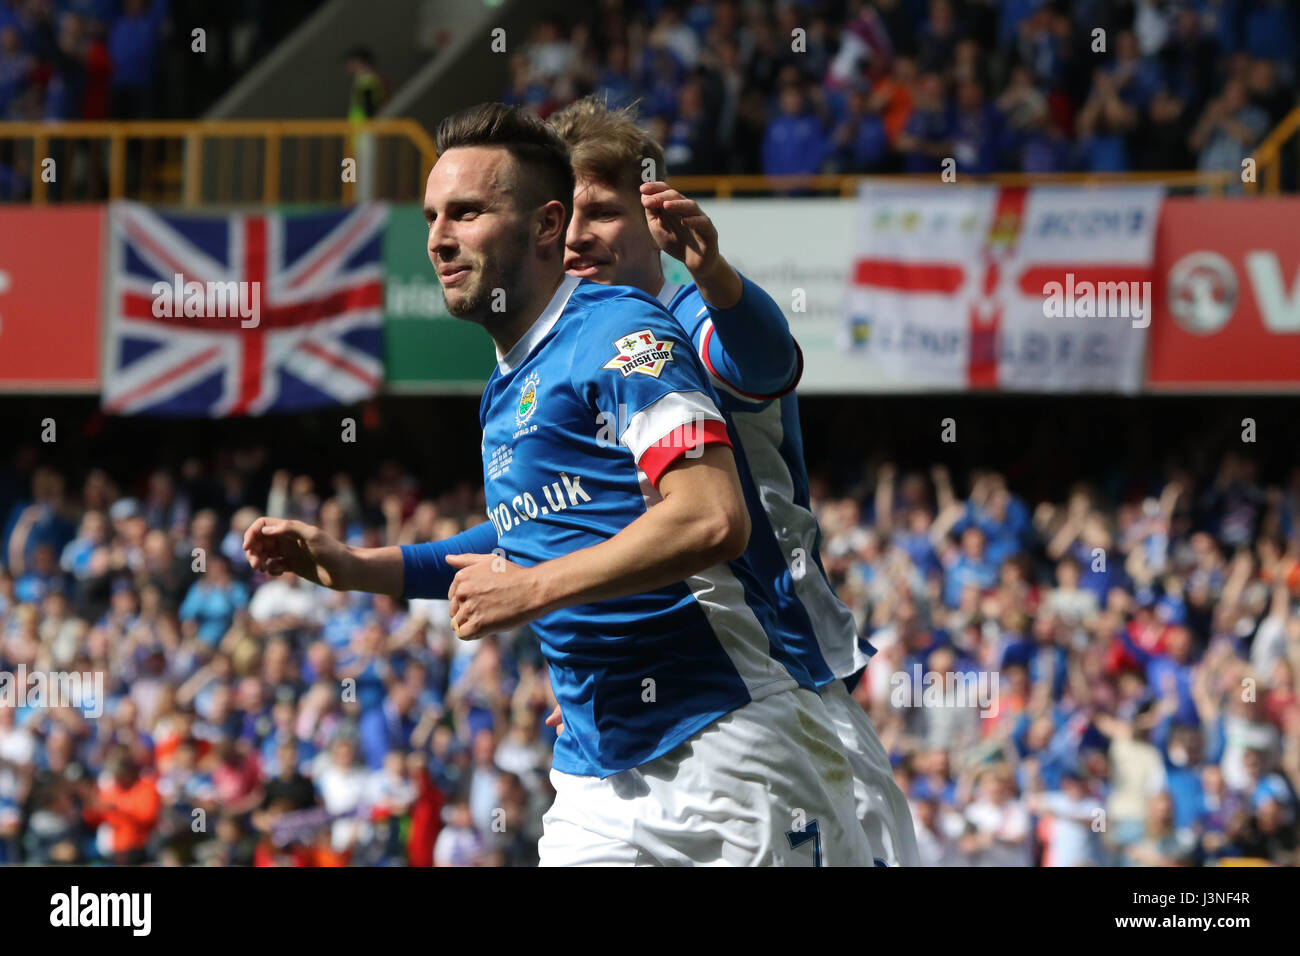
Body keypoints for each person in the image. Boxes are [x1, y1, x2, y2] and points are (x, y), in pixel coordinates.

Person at [245, 103, 869, 866]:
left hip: (735, 726)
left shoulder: (648, 329)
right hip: (596, 769)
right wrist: (358, 566)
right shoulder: (512, 383)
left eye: (467, 213)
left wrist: (534, 590)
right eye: (433, 216)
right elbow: (527, 537)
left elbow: (713, 509)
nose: (440, 237)